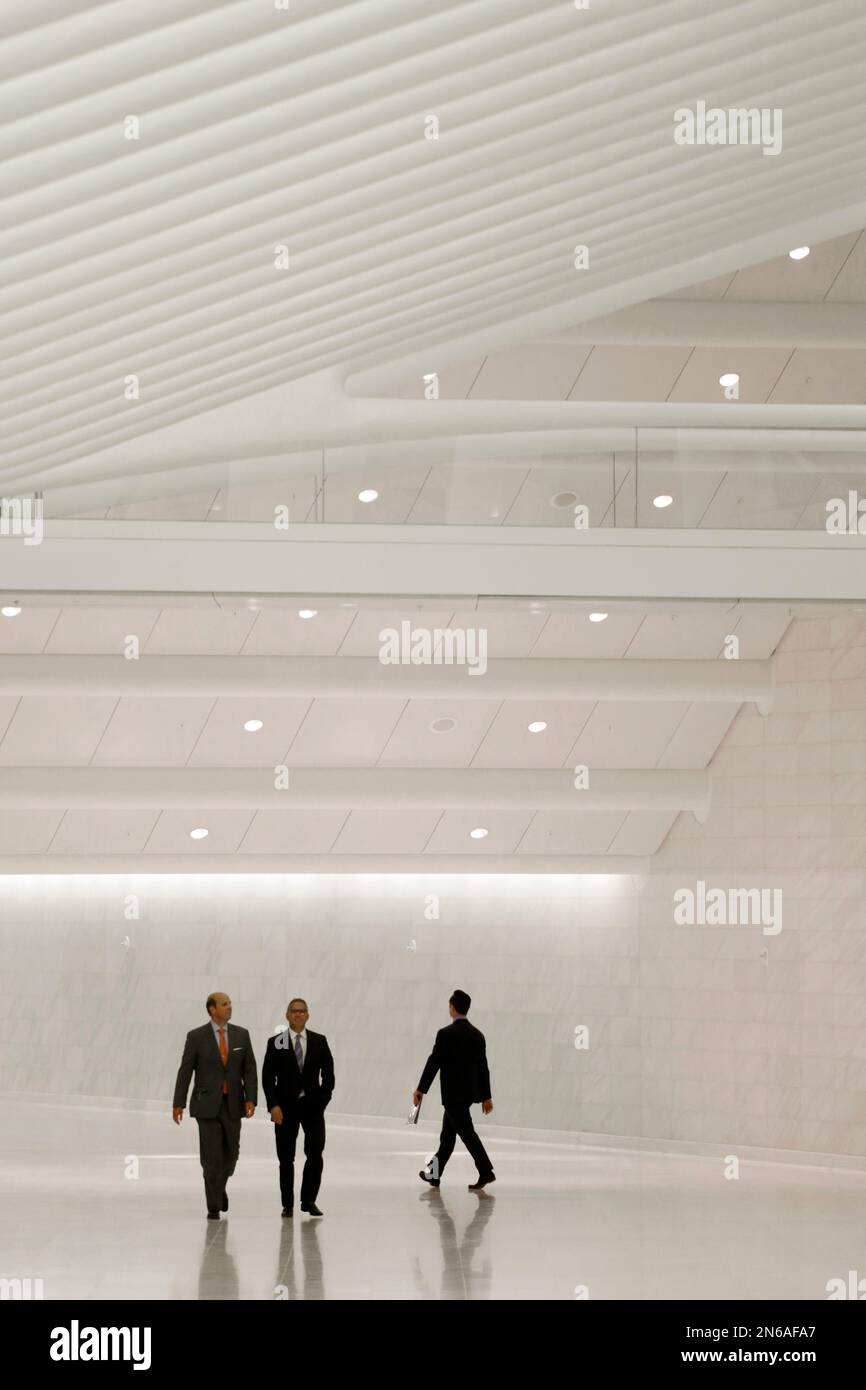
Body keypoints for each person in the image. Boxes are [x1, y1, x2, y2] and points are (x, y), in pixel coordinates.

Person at [172, 991, 257, 1218]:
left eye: (230, 1003)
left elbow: (249, 1069)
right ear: (212, 1009)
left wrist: (251, 1098)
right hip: (206, 1105)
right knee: (211, 1157)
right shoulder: (196, 1036)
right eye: (224, 1004)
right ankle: (213, 1205)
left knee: (231, 1155)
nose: (229, 1007)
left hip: (233, 1104)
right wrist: (178, 1102)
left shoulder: (241, 1035)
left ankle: (220, 1188)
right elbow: (186, 1070)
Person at [414, 990, 495, 1191]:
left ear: (452, 1007)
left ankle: (486, 1171)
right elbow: (483, 1068)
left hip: (451, 1095)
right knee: (447, 1137)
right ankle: (433, 1174)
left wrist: (421, 1089)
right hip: (467, 1095)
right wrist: (487, 1096)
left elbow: (434, 1063)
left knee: (467, 1134)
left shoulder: (445, 1034)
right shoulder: (478, 1035)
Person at [262, 998, 335, 1218]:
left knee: (315, 1154)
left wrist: (322, 1100)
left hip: (313, 1108)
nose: (298, 1015)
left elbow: (329, 1074)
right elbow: (268, 1077)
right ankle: (288, 1204)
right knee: (286, 1158)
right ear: (287, 1015)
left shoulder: (319, 1041)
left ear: (308, 1015)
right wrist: (273, 1105)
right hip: (284, 1109)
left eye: (302, 1011)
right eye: (294, 1011)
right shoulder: (277, 1042)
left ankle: (309, 1200)